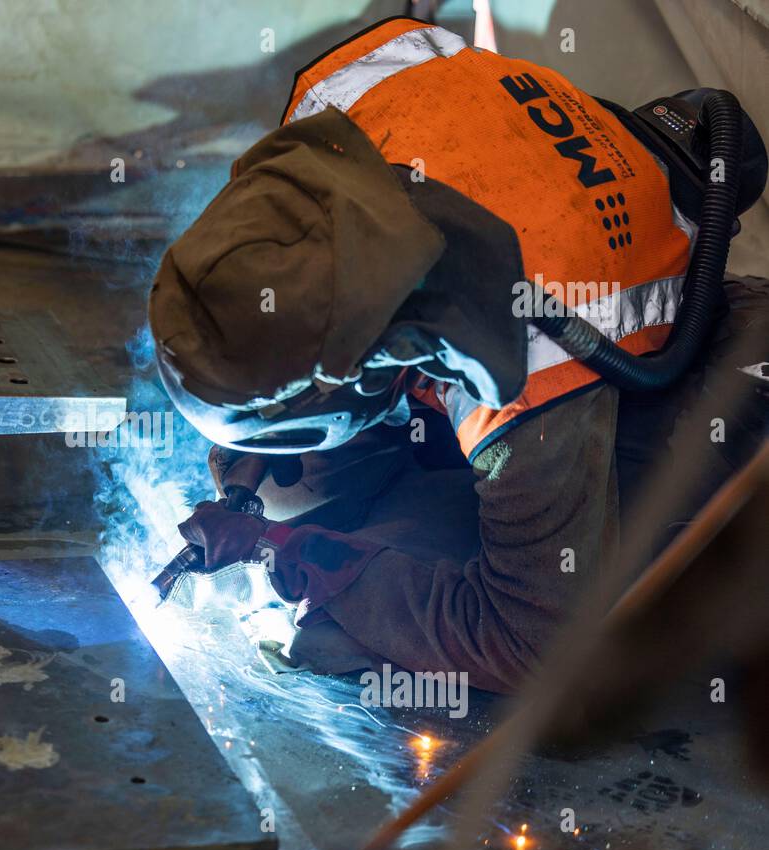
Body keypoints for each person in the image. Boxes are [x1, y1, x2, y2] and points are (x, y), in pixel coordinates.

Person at [146, 17, 768, 693]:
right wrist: (260, 473)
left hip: (712, 383)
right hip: (550, 240)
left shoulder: (527, 363)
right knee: (316, 501)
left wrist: (282, 552)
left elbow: (534, 642)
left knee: (343, 636)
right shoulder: (333, 110)